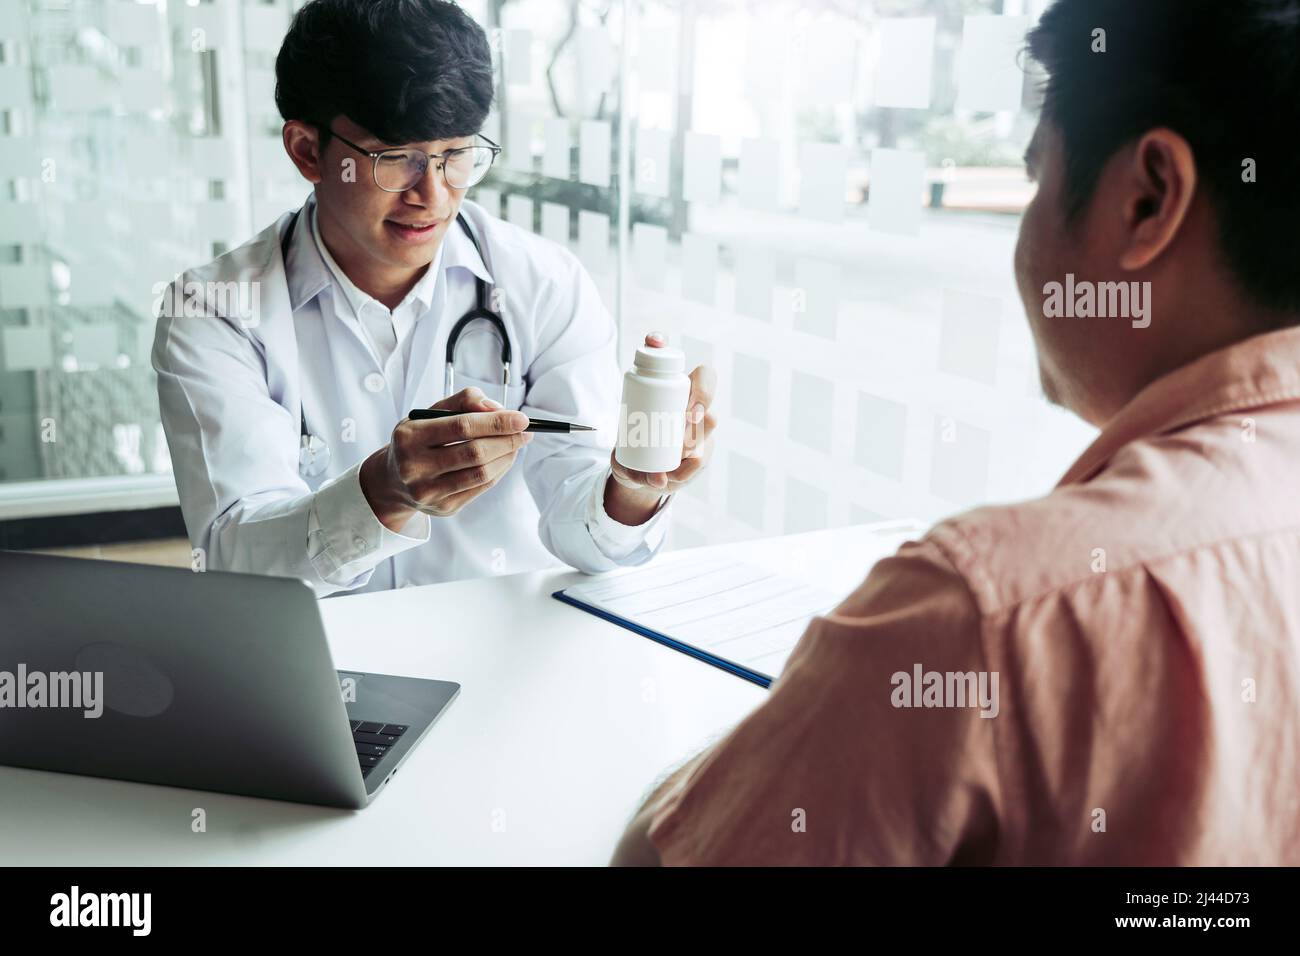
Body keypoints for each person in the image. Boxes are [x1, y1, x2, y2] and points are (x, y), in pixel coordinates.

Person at [614, 0, 1300, 865]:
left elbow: (661, 859)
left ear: (1146, 199)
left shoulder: (988, 613)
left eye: (1036, 178)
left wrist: (806, 722)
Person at [152, 0, 716, 596]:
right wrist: (384, 493)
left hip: (502, 659)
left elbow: (584, 531)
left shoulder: (544, 285)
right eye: (397, 160)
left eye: (456, 157)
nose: (434, 195)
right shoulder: (214, 311)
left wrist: (633, 485)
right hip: (319, 664)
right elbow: (235, 559)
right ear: (307, 151)